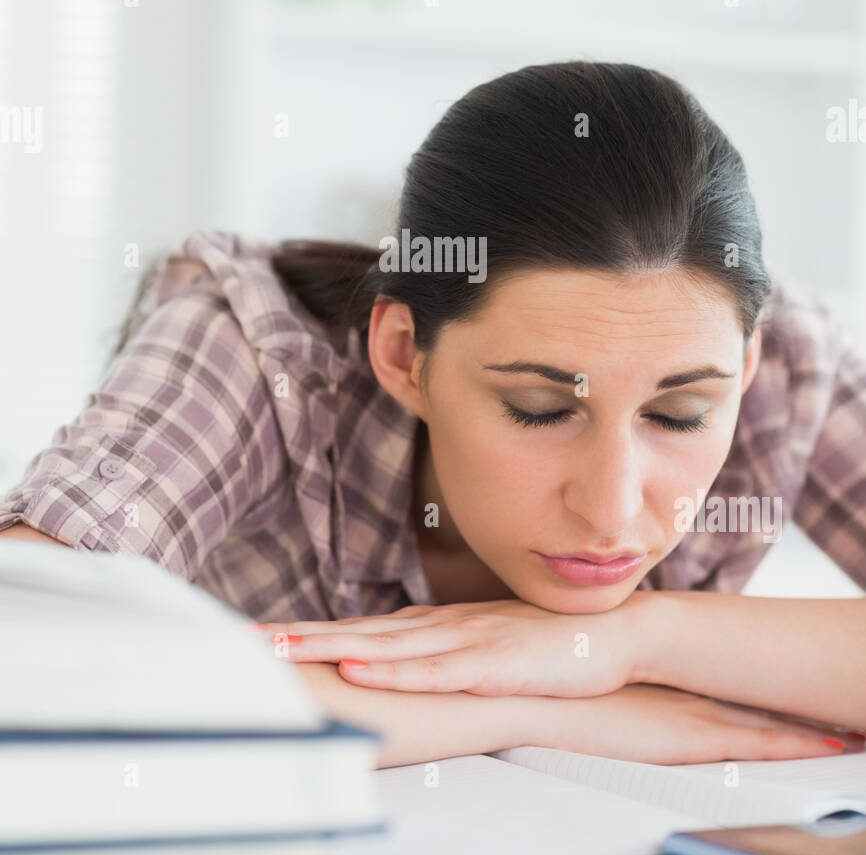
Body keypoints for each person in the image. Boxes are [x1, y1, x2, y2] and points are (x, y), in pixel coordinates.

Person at [2, 61, 865, 768]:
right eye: (538, 408)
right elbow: (24, 649)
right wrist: (545, 712)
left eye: (680, 415)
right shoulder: (263, 355)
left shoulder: (787, 363)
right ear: (403, 354)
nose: (610, 509)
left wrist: (634, 644)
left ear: (743, 367)